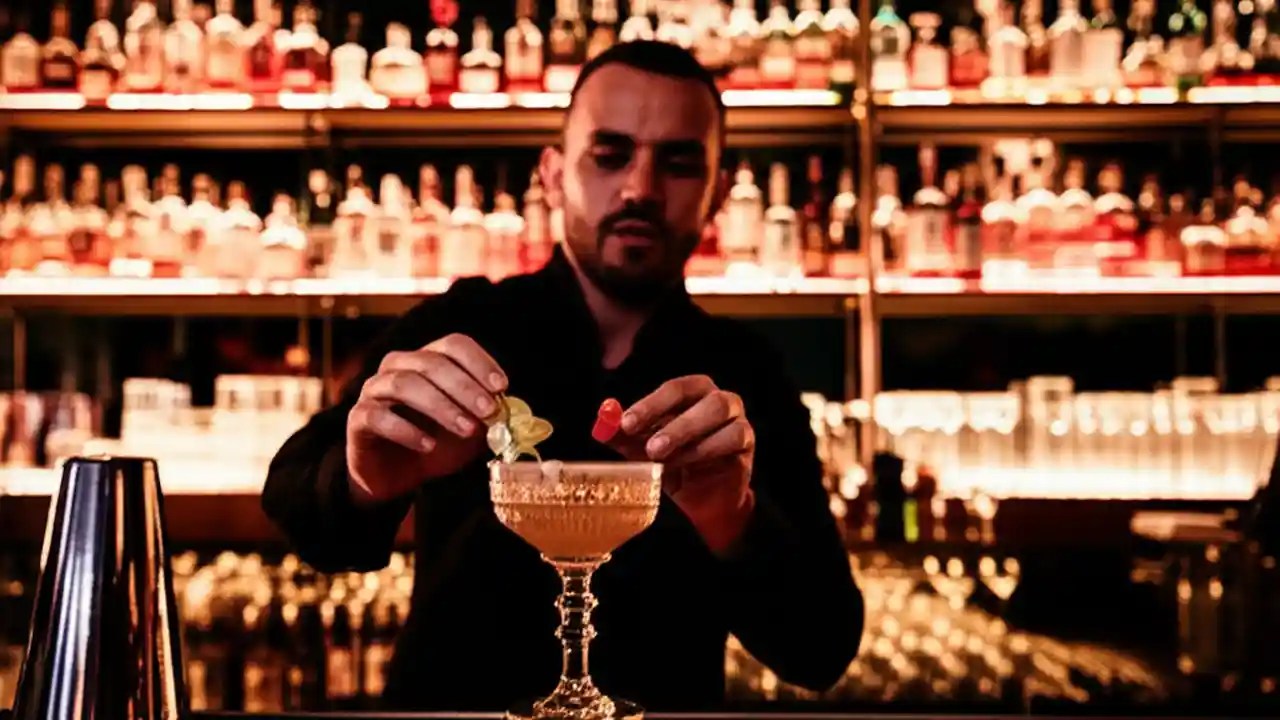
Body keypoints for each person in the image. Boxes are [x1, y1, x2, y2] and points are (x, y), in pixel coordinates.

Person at [262, 40, 863, 711]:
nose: (640, 188)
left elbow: (822, 647)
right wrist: (362, 479)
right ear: (551, 176)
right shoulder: (465, 322)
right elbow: (296, 508)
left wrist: (734, 520)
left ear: (720, 191)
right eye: (609, 155)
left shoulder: (745, 373)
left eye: (679, 162)